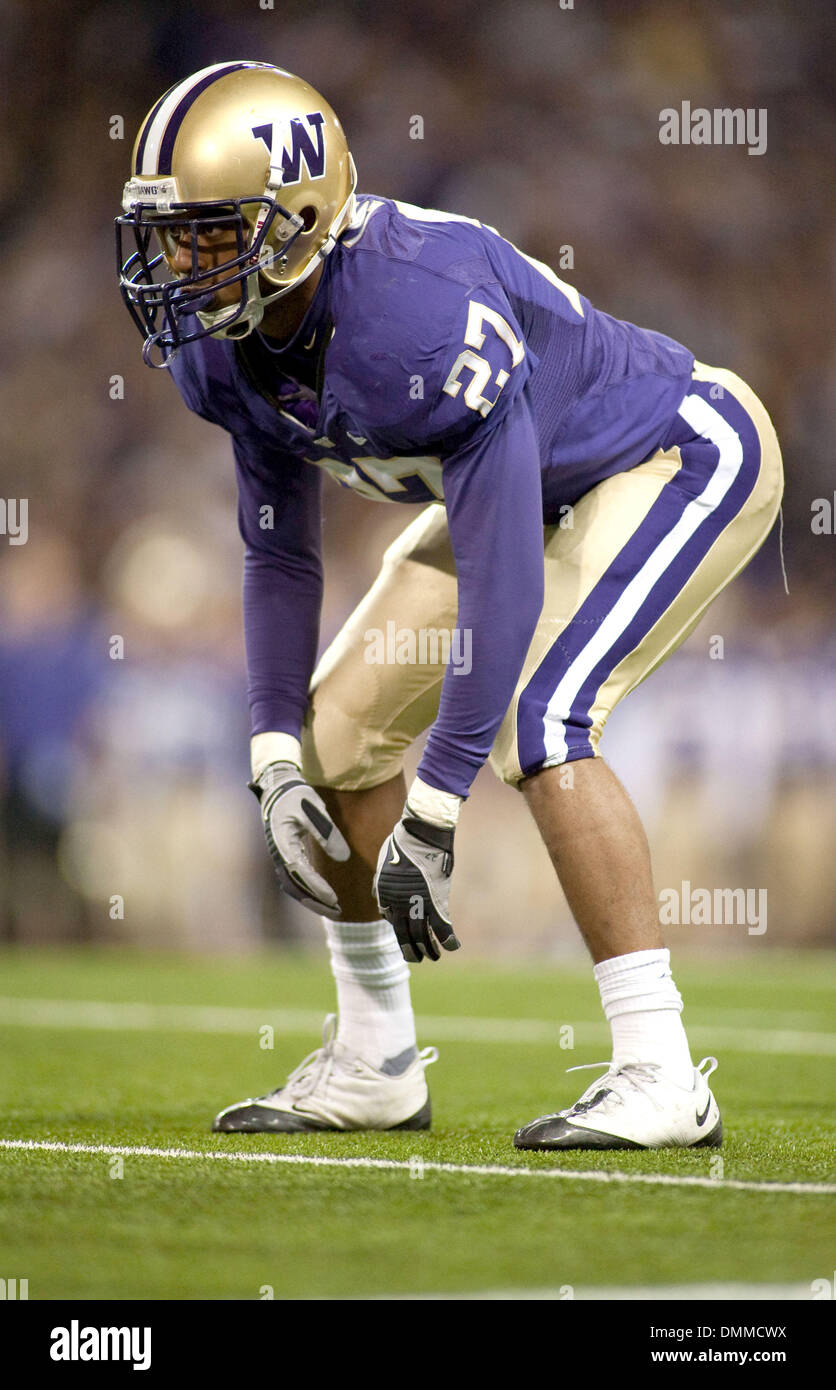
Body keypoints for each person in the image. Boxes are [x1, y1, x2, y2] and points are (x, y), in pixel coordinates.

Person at [117, 60, 783, 1148]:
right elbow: (278, 550)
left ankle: (661, 1071)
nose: (177, 265)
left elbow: (502, 574)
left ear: (293, 220)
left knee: (548, 722)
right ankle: (375, 1059)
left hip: (668, 450)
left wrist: (436, 806)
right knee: (331, 748)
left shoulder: (414, 318)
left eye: (203, 233)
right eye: (169, 237)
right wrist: (272, 748)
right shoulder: (222, 352)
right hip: (529, 496)